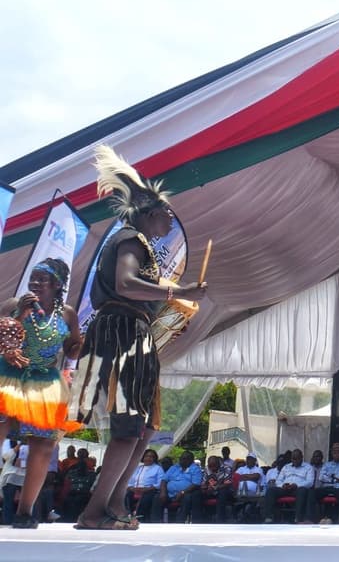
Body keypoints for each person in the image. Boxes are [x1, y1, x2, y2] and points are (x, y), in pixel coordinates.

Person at [72, 146, 206, 531]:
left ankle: (114, 500)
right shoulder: (130, 239)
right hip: (122, 334)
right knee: (130, 425)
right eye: (166, 211)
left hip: (132, 333)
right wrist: (177, 291)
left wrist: (173, 309)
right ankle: (94, 512)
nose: (171, 217)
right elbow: (125, 284)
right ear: (149, 213)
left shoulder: (138, 242)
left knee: (144, 429)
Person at [0, 257, 85, 529]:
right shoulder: (14, 304)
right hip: (9, 374)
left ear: (57, 285)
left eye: (42, 279)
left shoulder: (67, 314)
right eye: (33, 278)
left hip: (45, 381)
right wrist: (19, 315)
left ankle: (25, 512)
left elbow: (72, 349)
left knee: (43, 445)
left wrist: (82, 345)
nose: (35, 283)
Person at [262, 449, 314, 524]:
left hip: (297, 489)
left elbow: (310, 482)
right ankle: (269, 517)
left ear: (301, 457)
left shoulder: (308, 467)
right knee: (271, 490)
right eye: (293, 459)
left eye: (297, 458)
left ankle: (298, 518)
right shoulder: (286, 467)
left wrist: (296, 485)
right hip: (285, 488)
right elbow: (278, 480)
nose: (295, 461)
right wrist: (282, 485)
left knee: (302, 491)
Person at [310, 442, 339, 523]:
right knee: (312, 493)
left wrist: (331, 476)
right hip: (327, 487)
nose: (336, 453)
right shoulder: (327, 465)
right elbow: (321, 477)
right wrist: (334, 479)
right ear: (332, 452)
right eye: (334, 451)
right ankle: (311, 519)